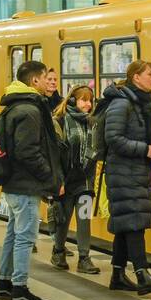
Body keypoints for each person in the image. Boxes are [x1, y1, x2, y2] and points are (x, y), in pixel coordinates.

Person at [0, 59, 62, 300]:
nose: (49, 83)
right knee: (25, 237)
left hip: (14, 183)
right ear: (34, 80)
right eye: (45, 78)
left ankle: (3, 283)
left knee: (13, 234)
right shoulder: (30, 111)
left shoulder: (14, 106)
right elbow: (27, 151)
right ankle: (20, 287)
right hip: (25, 184)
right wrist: (49, 176)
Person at [100, 60, 151, 294]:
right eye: (150, 74)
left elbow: (147, 134)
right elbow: (114, 139)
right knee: (134, 223)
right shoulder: (122, 104)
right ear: (136, 77)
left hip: (136, 171)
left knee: (125, 222)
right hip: (122, 172)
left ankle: (118, 275)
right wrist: (144, 150)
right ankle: (142, 274)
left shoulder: (143, 103)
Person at [50, 84, 100, 275]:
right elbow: (55, 154)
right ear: (72, 101)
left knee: (84, 219)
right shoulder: (60, 121)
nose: (88, 104)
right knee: (63, 220)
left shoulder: (92, 122)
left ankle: (84, 258)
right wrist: (58, 181)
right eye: (84, 100)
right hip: (66, 180)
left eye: (90, 100)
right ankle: (58, 251)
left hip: (85, 181)